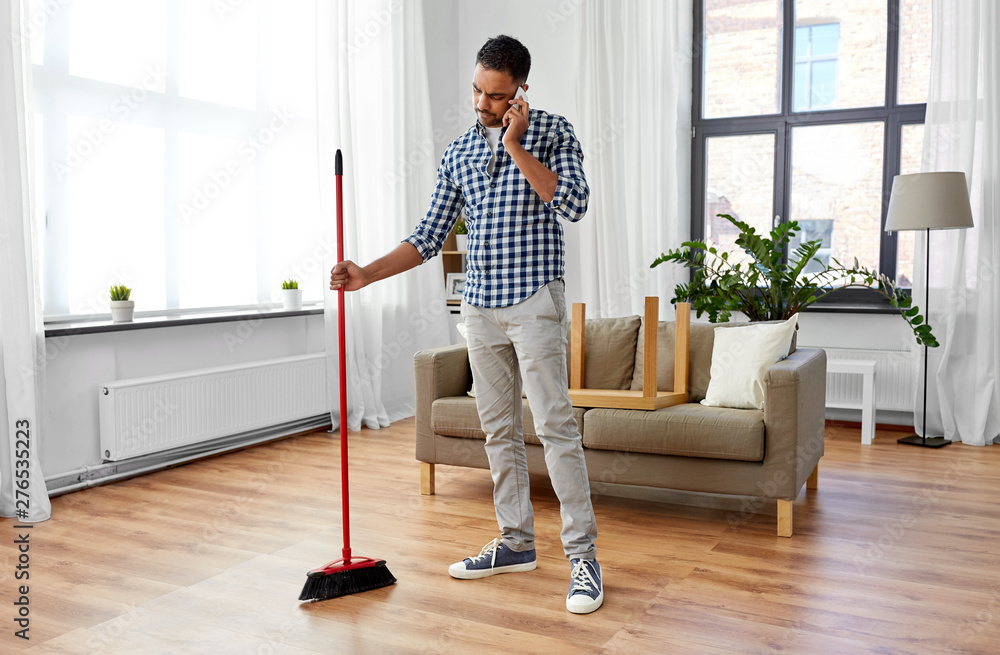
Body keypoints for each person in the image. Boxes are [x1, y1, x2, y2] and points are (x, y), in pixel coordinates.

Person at [329, 34, 601, 614]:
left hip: (533, 300)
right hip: (477, 308)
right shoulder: (457, 154)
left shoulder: (552, 132)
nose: (482, 103)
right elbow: (428, 236)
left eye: (496, 95)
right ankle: (514, 542)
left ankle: (583, 558)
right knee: (498, 430)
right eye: (477, 90)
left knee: (555, 428)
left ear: (520, 91)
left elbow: (573, 204)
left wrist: (517, 145)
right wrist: (365, 274)